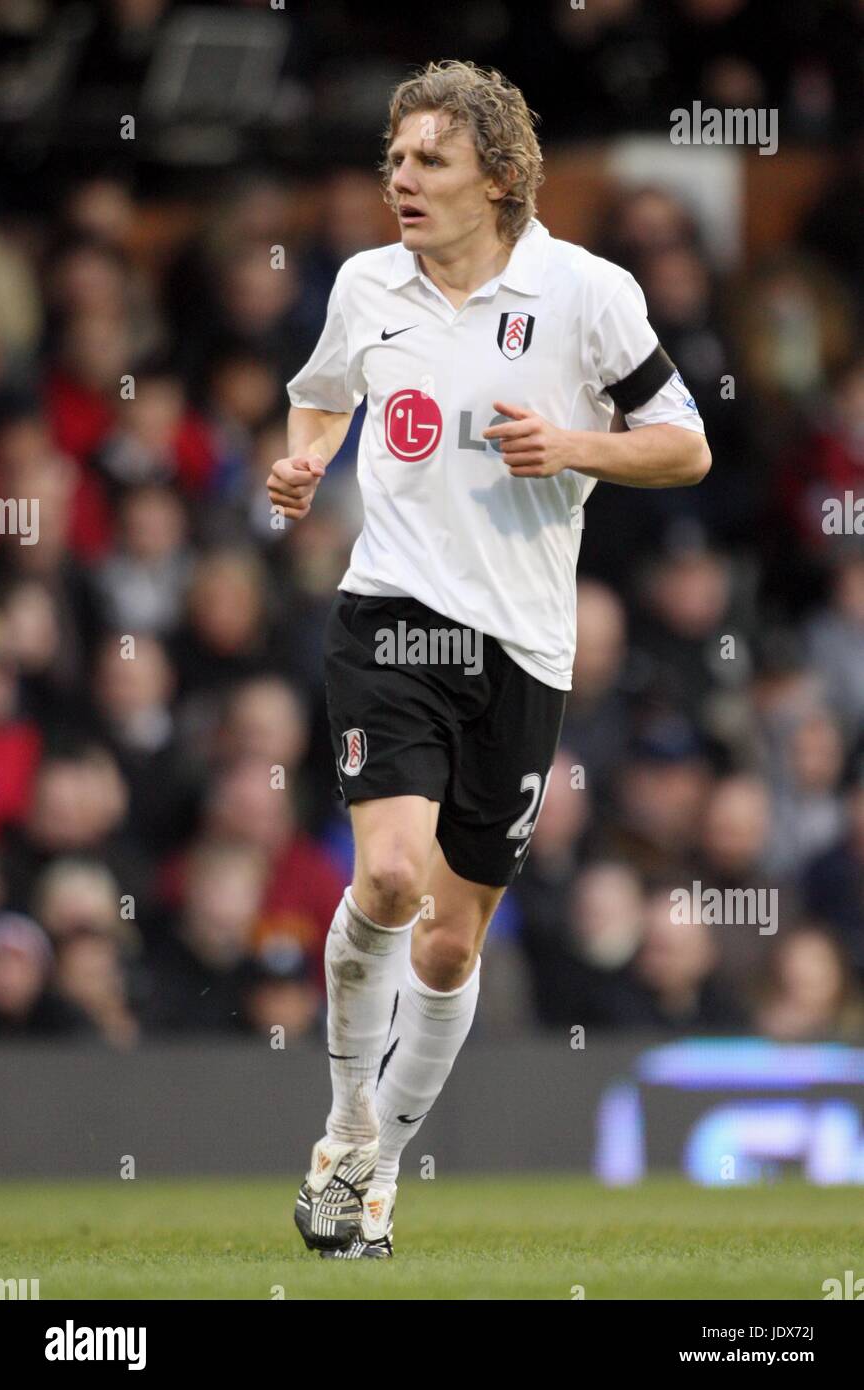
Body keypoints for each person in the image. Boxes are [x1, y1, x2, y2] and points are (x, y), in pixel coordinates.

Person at [267, 60, 710, 1259]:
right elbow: (319, 398)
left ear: (500, 180)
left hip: (521, 646)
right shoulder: (367, 286)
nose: (400, 181)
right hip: (390, 618)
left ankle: (379, 1167)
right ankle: (348, 1130)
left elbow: (683, 446)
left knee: (452, 940)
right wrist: (307, 460)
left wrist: (571, 443)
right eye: (395, 160)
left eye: (429, 162)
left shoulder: (586, 293)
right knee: (394, 880)